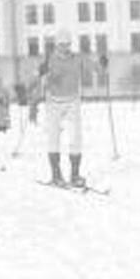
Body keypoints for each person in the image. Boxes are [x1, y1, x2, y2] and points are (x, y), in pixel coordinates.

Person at [38, 29, 101, 186]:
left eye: (67, 45)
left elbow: (96, 69)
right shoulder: (49, 59)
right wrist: (43, 76)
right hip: (53, 102)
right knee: (53, 137)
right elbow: (41, 80)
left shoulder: (77, 58)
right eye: (61, 45)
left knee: (75, 137)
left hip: (73, 101)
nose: (64, 48)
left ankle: (75, 175)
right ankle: (56, 174)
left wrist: (102, 64)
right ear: (56, 45)